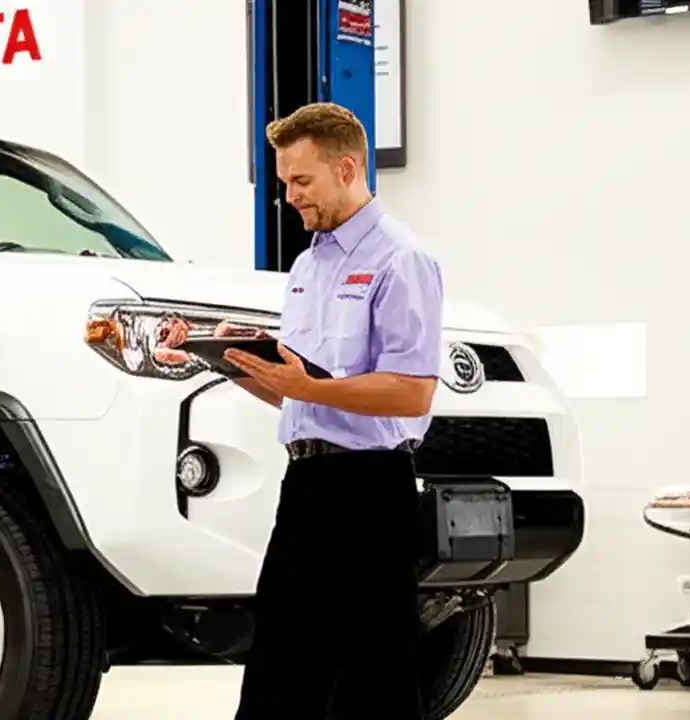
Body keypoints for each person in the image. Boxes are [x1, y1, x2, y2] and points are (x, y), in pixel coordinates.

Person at [162, 102, 444, 718]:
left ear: (346, 169)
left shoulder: (401, 259)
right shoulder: (307, 266)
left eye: (301, 181)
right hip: (308, 483)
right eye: (285, 181)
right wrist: (229, 359)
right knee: (281, 664)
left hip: (372, 487)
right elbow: (297, 386)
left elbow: (411, 390)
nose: (289, 195)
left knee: (377, 674)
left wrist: (306, 387)